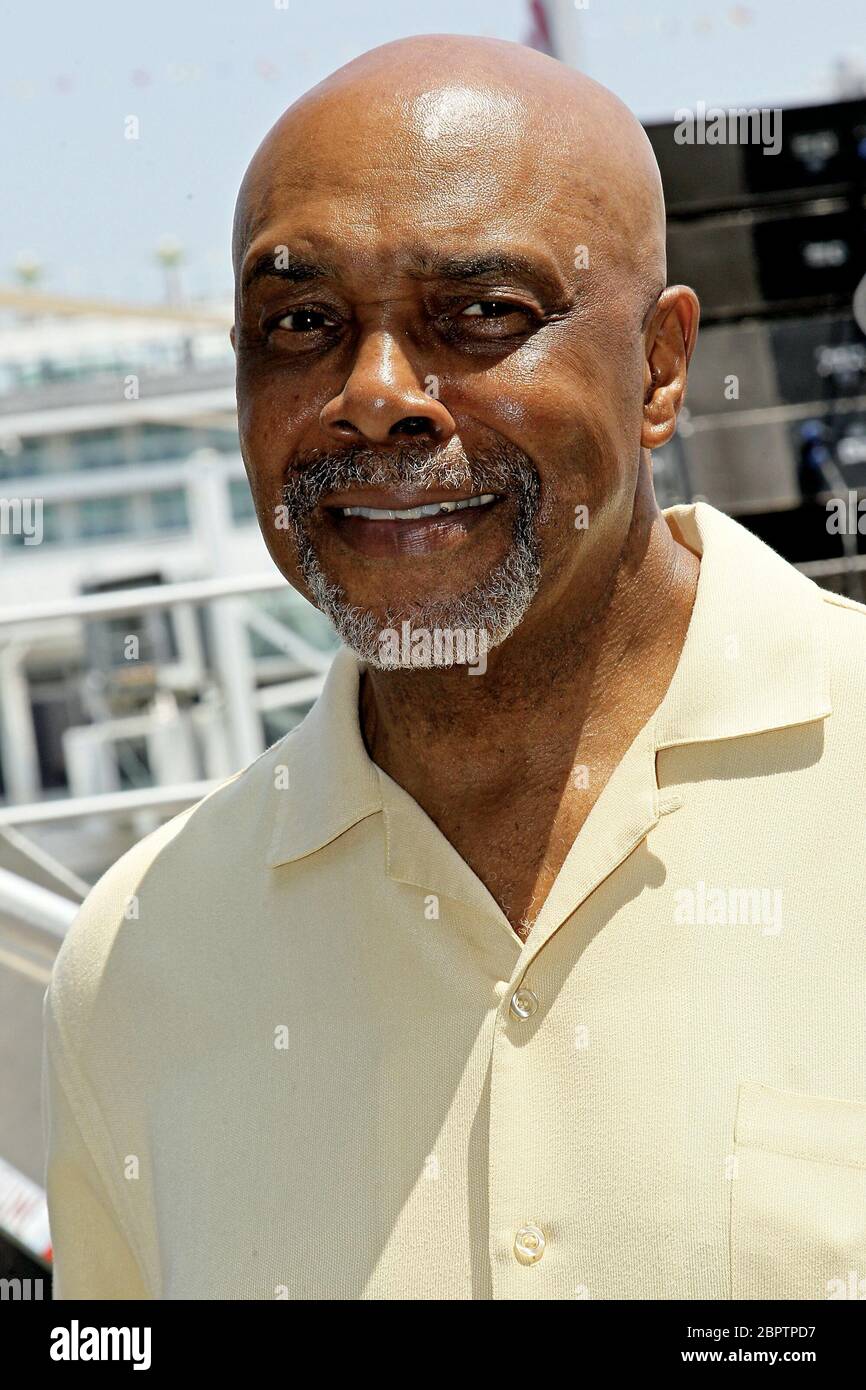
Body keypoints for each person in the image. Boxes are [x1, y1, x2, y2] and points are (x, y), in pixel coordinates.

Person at [43, 35, 866, 1301]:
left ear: (658, 367)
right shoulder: (140, 962)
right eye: (301, 323)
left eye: (481, 313)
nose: (374, 395)